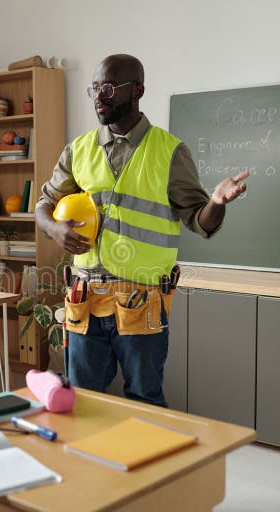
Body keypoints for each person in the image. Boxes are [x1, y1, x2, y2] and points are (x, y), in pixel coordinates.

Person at [35, 54, 249, 407]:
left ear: (137, 90)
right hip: (85, 298)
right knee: (83, 403)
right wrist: (53, 228)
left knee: (145, 401)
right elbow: (43, 205)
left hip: (143, 301)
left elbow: (200, 219)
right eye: (94, 88)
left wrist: (217, 203)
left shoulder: (169, 152)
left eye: (107, 88)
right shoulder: (79, 150)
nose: (98, 97)